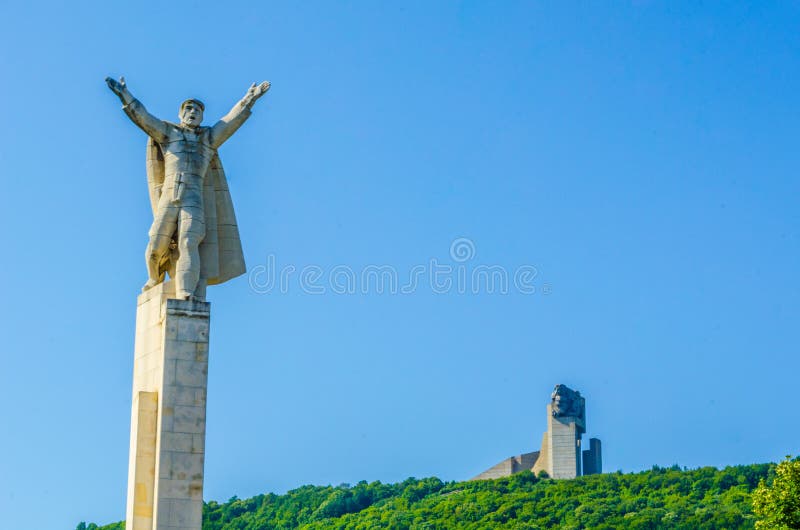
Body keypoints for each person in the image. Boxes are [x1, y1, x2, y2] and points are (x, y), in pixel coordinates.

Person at [106, 76, 270, 300]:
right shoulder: (169, 133)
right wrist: (125, 95)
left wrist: (249, 99)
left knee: (188, 242)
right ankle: (154, 277)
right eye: (188, 108)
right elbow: (144, 119)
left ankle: (185, 290)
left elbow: (230, 121)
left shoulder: (208, 138)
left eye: (197, 110)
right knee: (156, 244)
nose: (193, 112)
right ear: (180, 114)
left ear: (202, 116)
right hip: (170, 198)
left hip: (194, 201)